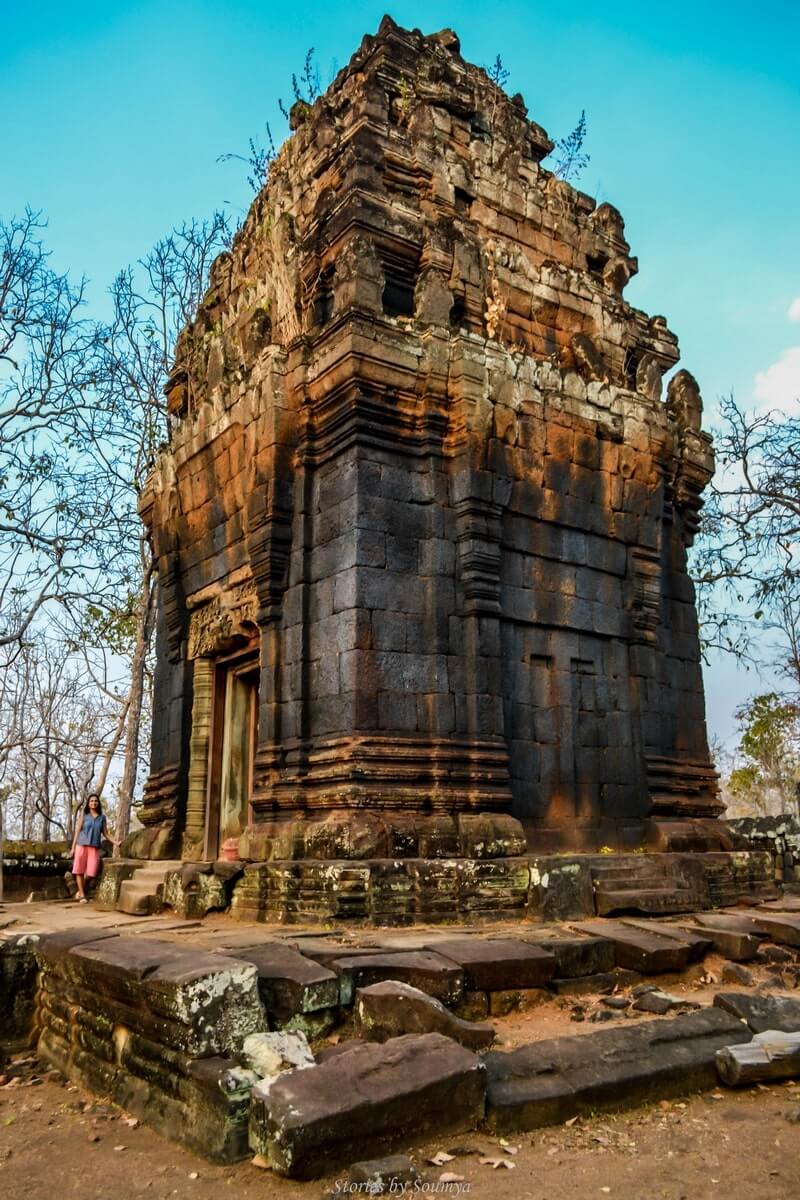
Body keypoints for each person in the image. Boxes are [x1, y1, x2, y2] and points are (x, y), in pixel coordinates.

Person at [70, 794, 120, 902]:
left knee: (91, 873)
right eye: (91, 801)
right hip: (81, 845)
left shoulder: (102, 817)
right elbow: (77, 831)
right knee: (79, 870)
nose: (94, 803)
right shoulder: (84, 815)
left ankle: (80, 890)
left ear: (98, 803)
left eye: (96, 801)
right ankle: (82, 895)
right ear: (88, 803)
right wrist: (73, 847)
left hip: (94, 846)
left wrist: (116, 842)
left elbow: (105, 833)